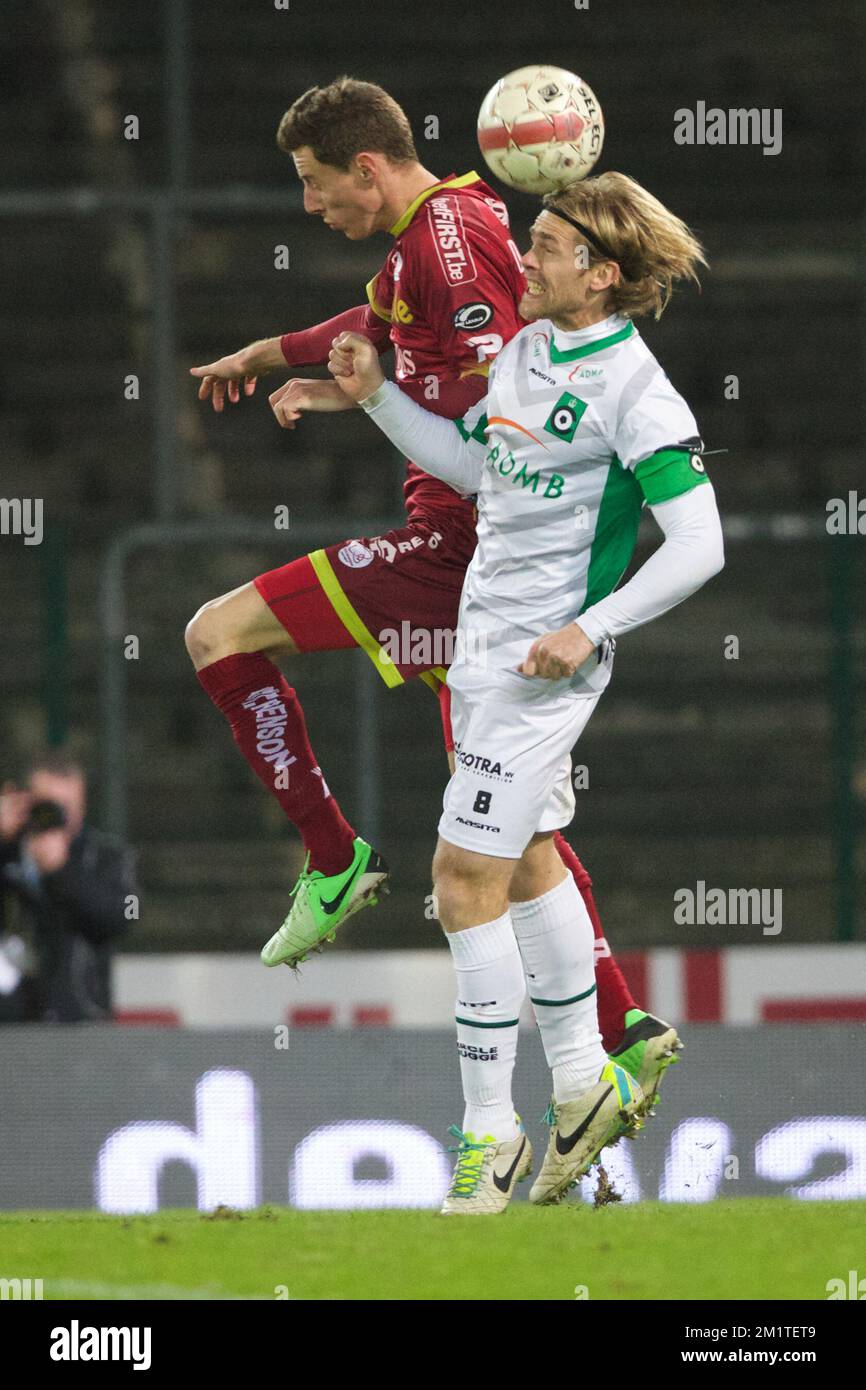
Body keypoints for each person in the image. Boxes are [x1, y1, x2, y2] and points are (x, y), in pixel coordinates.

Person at [187, 77, 680, 1108]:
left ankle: (332, 859)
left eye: (316, 185)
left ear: (366, 168)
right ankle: (617, 1029)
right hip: (479, 562)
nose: (311, 207)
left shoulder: (448, 246)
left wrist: (380, 404)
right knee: (513, 830)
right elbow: (376, 325)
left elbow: (509, 408)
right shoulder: (436, 232)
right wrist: (281, 357)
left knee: (217, 632)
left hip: (455, 552)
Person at [324, 170, 725, 1211]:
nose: (522, 260)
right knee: (533, 860)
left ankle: (487, 1137)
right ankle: (586, 1085)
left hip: (542, 671)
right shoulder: (529, 351)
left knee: (461, 877)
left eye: (542, 247)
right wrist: (376, 397)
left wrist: (586, 629)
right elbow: (474, 467)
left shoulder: (637, 390)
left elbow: (699, 544)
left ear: (596, 276)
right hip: (481, 645)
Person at [0, 751, 137, 1022]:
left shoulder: (110, 856)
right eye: (49, 806)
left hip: (80, 1020)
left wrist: (61, 871)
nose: (60, 818)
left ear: (83, 807)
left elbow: (128, 914)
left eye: (69, 806)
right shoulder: (8, 853)